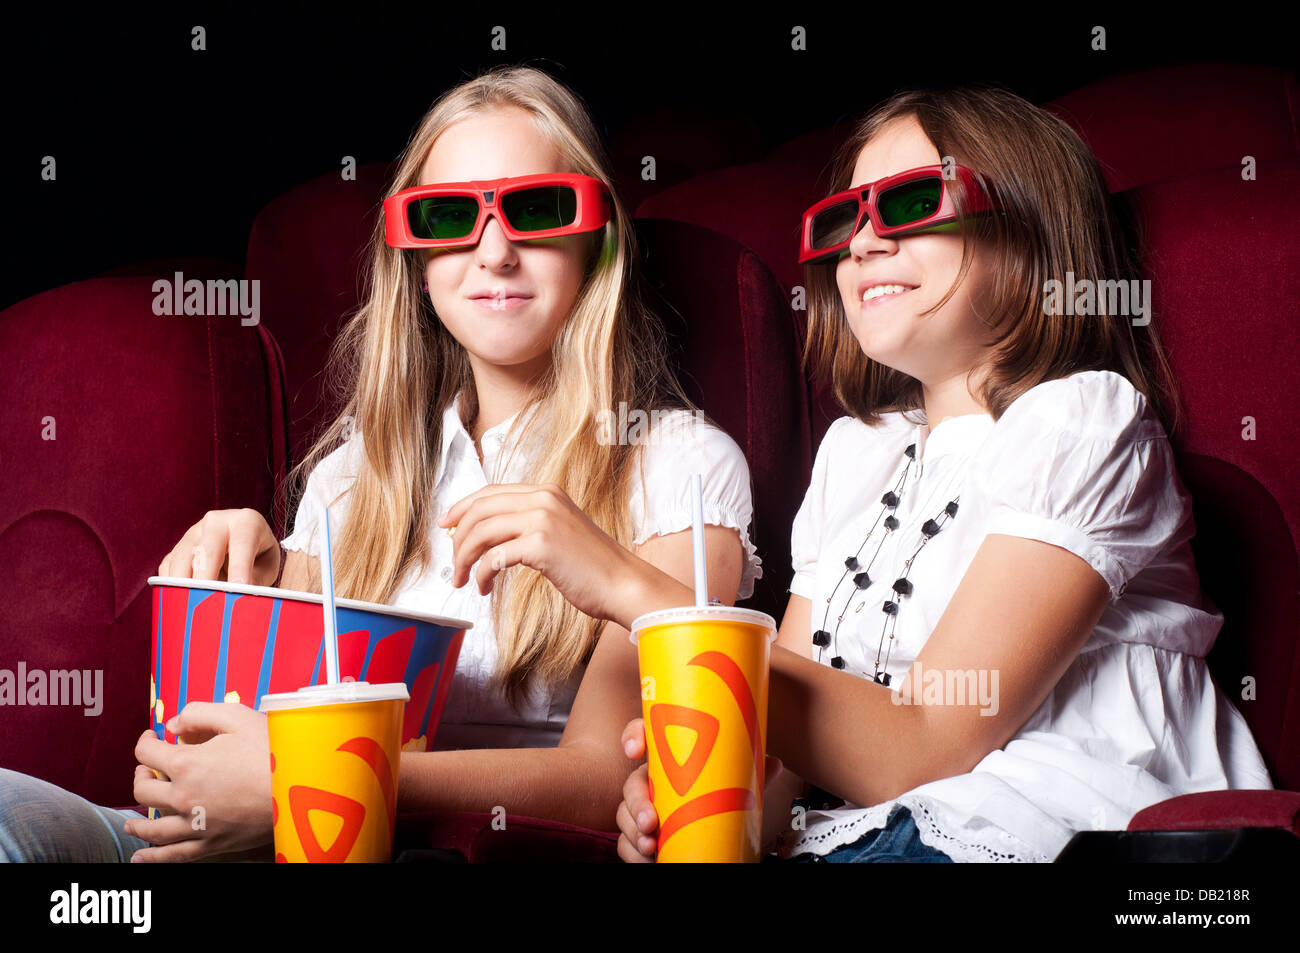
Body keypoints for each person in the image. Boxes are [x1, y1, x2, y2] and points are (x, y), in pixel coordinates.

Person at [473, 85, 1274, 862]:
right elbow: (794, 743)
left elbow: (925, 741)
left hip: (1042, 822)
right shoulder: (855, 452)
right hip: (866, 829)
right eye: (843, 220)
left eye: (909, 204)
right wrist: (722, 781)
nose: (862, 242)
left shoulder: (1083, 423)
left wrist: (625, 583)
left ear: (1031, 227)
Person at [0, 65, 760, 862]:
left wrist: (320, 775)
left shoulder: (681, 463)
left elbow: (614, 777)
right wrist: (250, 575)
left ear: (596, 238)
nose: (495, 250)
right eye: (448, 217)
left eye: (536, 210)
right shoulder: (355, 472)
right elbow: (254, 717)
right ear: (414, 254)